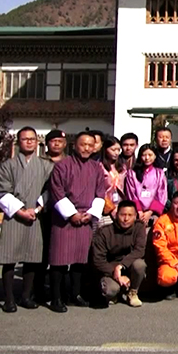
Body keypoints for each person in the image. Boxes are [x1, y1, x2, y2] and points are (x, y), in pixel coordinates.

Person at [47, 131, 109, 313]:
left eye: (91, 145)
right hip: (64, 219)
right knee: (58, 260)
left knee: (79, 260)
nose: (87, 148)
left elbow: (100, 193)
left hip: (86, 218)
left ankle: (75, 294)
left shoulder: (96, 168)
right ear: (74, 145)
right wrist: (71, 214)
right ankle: (56, 297)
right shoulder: (62, 166)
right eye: (83, 144)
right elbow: (57, 192)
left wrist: (91, 214)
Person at [0, 126, 52, 312]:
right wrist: (21, 211)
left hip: (36, 215)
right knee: (9, 258)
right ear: (18, 142)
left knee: (31, 258)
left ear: (37, 142)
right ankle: (9, 299)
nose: (29, 142)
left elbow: (51, 189)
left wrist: (38, 208)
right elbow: (1, 192)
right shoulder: (8, 165)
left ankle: (26, 296)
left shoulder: (46, 165)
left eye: (32, 139)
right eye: (25, 139)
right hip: (14, 217)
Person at [91, 200, 147, 308]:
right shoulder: (104, 232)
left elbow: (139, 250)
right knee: (110, 290)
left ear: (135, 216)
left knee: (140, 264)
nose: (126, 219)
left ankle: (133, 293)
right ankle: (116, 293)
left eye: (130, 215)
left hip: (128, 265)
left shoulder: (139, 227)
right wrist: (116, 274)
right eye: (122, 215)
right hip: (110, 269)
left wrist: (121, 266)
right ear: (116, 215)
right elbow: (98, 260)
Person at [124, 144, 167, 227]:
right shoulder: (132, 173)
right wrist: (139, 211)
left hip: (153, 212)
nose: (147, 158)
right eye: (144, 155)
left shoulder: (159, 173)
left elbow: (161, 194)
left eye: (150, 155)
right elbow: (131, 194)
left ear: (155, 156)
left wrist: (150, 211)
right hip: (136, 212)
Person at [98, 137, 126, 229]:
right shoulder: (99, 167)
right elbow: (98, 189)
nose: (116, 153)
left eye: (118, 149)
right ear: (105, 149)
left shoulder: (122, 167)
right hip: (105, 207)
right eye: (113, 149)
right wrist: (111, 208)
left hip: (120, 205)